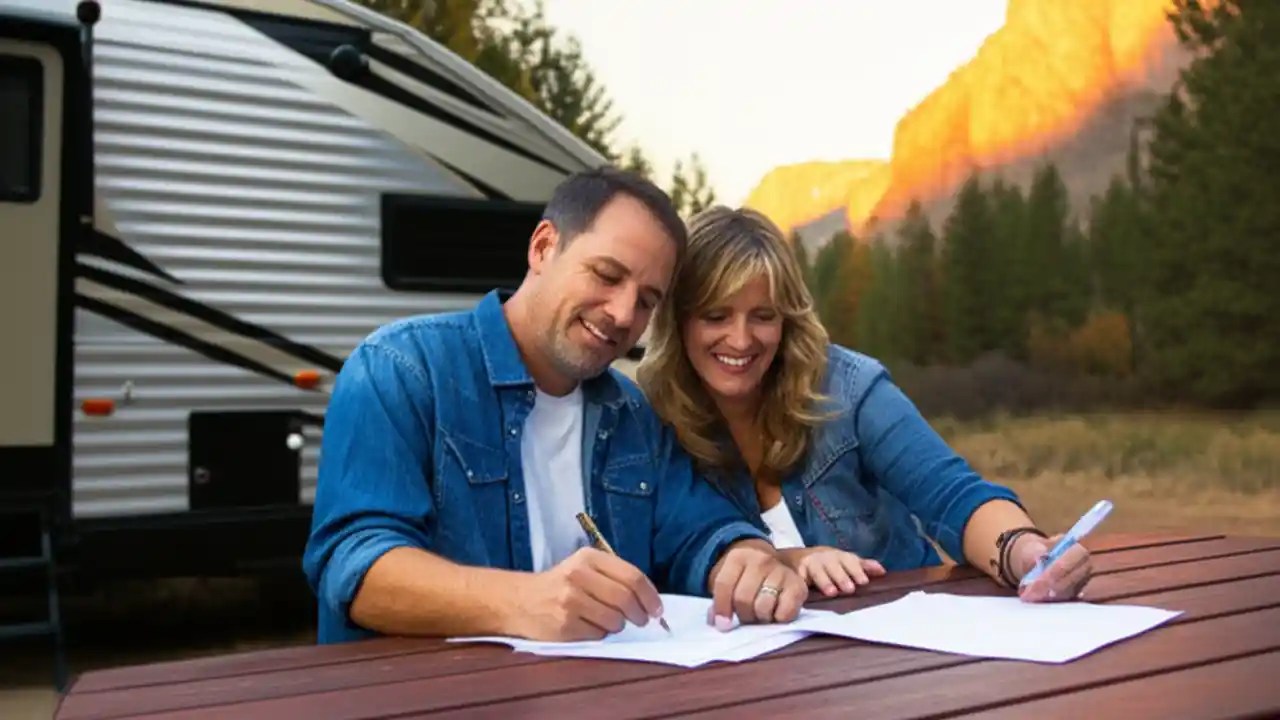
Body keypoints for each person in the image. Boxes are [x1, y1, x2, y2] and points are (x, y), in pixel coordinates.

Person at [302, 170, 808, 645]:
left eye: (646, 301)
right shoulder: (401, 368)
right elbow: (353, 566)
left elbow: (699, 529)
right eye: (607, 275)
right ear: (543, 247)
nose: (622, 314)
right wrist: (523, 602)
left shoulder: (630, 412)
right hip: (430, 694)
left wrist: (744, 557)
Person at [635, 206, 1093, 603]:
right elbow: (674, 555)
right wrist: (791, 560)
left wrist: (1023, 551)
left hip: (900, 640)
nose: (741, 340)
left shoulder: (847, 387)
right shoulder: (650, 419)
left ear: (787, 318)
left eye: (763, 316)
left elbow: (952, 494)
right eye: (716, 316)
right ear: (678, 321)